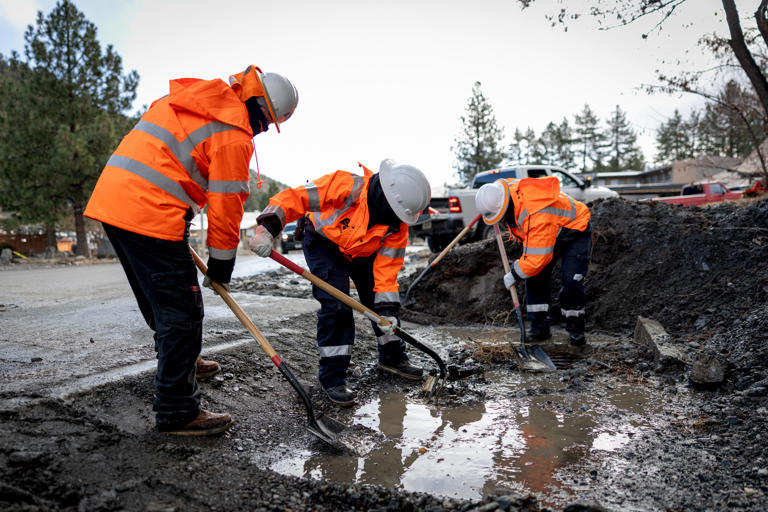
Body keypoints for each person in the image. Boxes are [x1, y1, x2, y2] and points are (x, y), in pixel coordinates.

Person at [84, 65, 298, 435]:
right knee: (182, 312)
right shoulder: (233, 131)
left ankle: (182, 361)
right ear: (264, 112)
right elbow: (226, 203)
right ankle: (177, 410)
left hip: (116, 202)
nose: (261, 130)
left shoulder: (197, 99)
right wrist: (221, 265)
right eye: (266, 123)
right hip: (150, 211)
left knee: (160, 299)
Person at [249, 160, 431, 406]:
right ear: (386, 199)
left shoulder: (396, 225)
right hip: (324, 243)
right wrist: (267, 227)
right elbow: (295, 198)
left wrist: (388, 312)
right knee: (336, 306)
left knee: (381, 303)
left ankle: (392, 357)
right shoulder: (346, 187)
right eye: (395, 214)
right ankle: (333, 377)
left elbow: (386, 273)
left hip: (363, 253)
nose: (397, 220)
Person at [474, 176, 592, 346]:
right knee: (535, 278)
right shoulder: (505, 193)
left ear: (504, 206)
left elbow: (536, 260)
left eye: (500, 216)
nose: (501, 221)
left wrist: (514, 273)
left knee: (571, 281)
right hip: (550, 229)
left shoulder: (536, 214)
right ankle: (539, 328)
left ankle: (576, 330)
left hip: (575, 228)